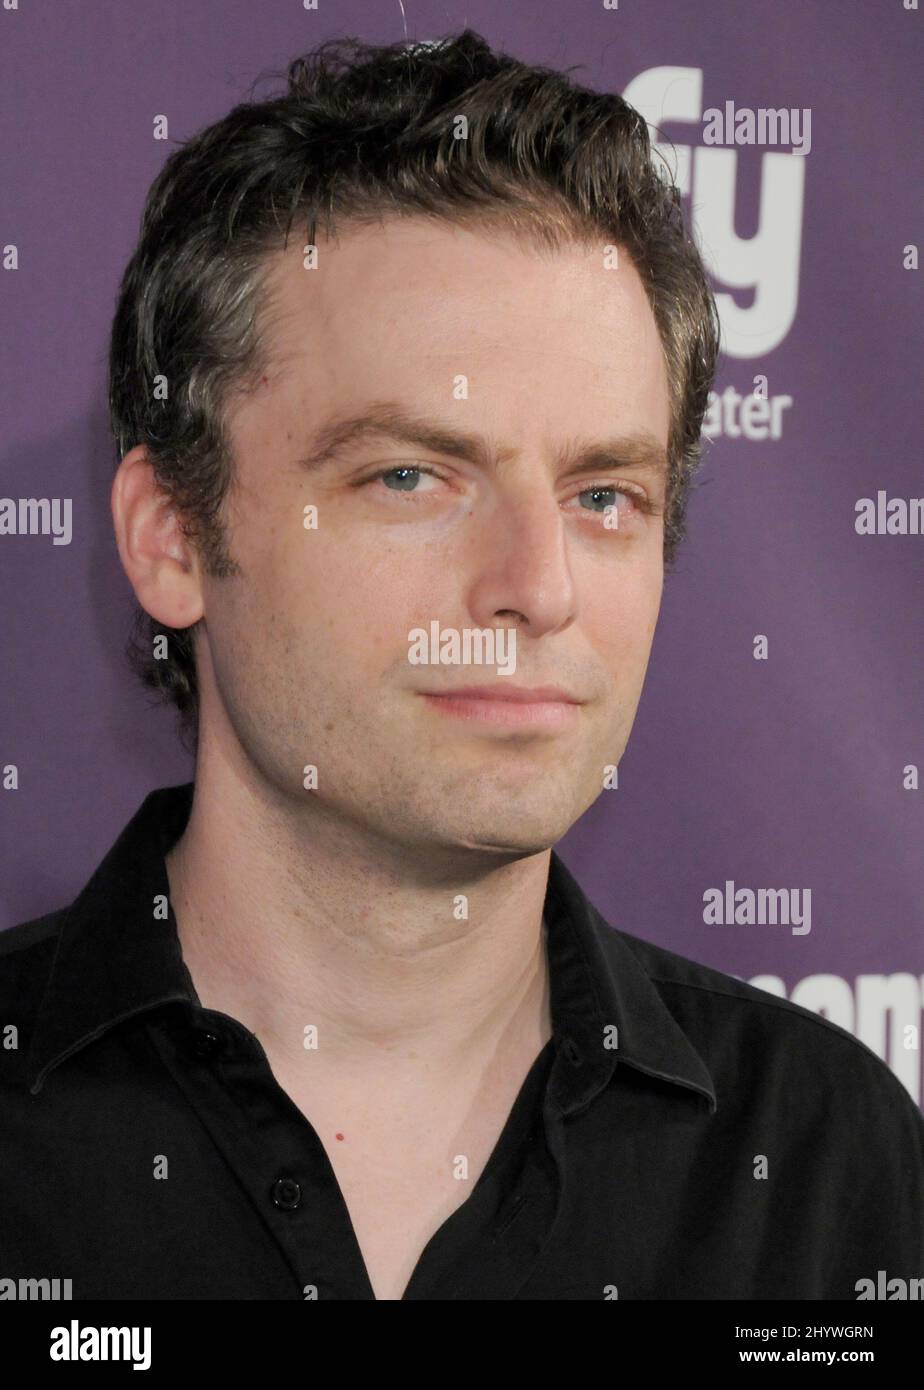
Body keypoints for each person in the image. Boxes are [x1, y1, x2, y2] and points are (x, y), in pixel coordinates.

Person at [2, 31, 921, 1303]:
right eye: (411, 477)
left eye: (605, 494)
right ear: (173, 537)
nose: (538, 587)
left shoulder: (822, 1164)